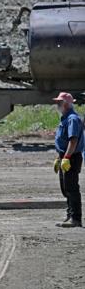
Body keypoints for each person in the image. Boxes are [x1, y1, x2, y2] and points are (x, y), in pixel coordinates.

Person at [53, 92, 84, 228]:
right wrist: (59, 157)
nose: (57, 105)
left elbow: (73, 140)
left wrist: (66, 157)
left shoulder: (72, 119)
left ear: (66, 104)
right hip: (65, 156)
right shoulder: (65, 118)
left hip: (71, 157)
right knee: (65, 187)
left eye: (59, 102)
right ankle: (70, 214)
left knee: (71, 187)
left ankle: (76, 219)